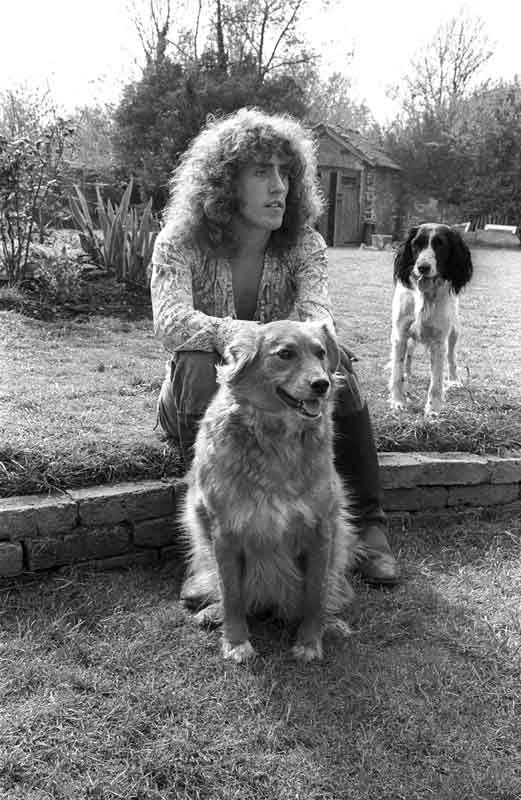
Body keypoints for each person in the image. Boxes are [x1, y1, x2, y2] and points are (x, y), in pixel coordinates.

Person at [150, 107, 398, 585]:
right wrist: (249, 340)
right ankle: (209, 551)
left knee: (336, 357)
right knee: (198, 359)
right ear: (224, 182)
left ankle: (370, 528)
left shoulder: (304, 243)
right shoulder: (179, 241)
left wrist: (306, 340)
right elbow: (171, 323)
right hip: (199, 397)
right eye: (262, 172)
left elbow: (318, 315)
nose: (279, 186)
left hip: (283, 393)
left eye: (286, 173)